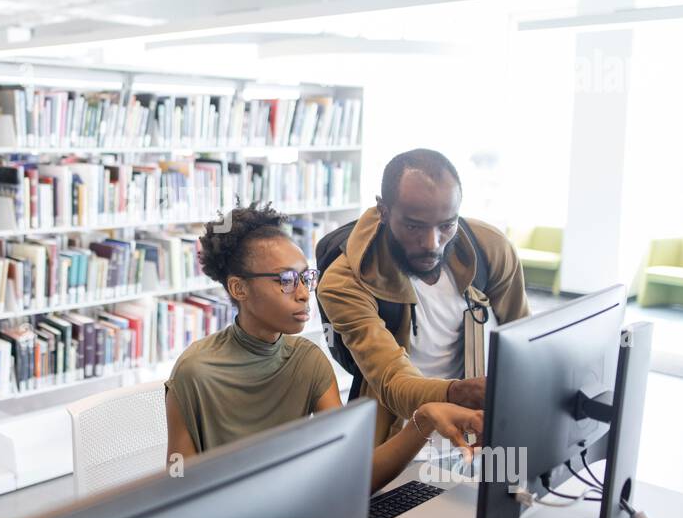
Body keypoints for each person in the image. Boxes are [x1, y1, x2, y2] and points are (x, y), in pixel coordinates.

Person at [164, 201, 483, 493]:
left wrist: (423, 421)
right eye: (286, 280)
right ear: (239, 288)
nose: (303, 294)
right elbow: (178, 482)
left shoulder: (308, 362)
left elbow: (352, 472)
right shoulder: (195, 372)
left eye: (307, 278)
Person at [316, 148, 530, 447]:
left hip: (478, 439)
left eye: (446, 225)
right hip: (398, 445)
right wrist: (460, 392)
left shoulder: (490, 248)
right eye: (414, 226)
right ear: (384, 210)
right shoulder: (345, 281)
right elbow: (393, 381)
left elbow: (524, 341)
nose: (432, 244)